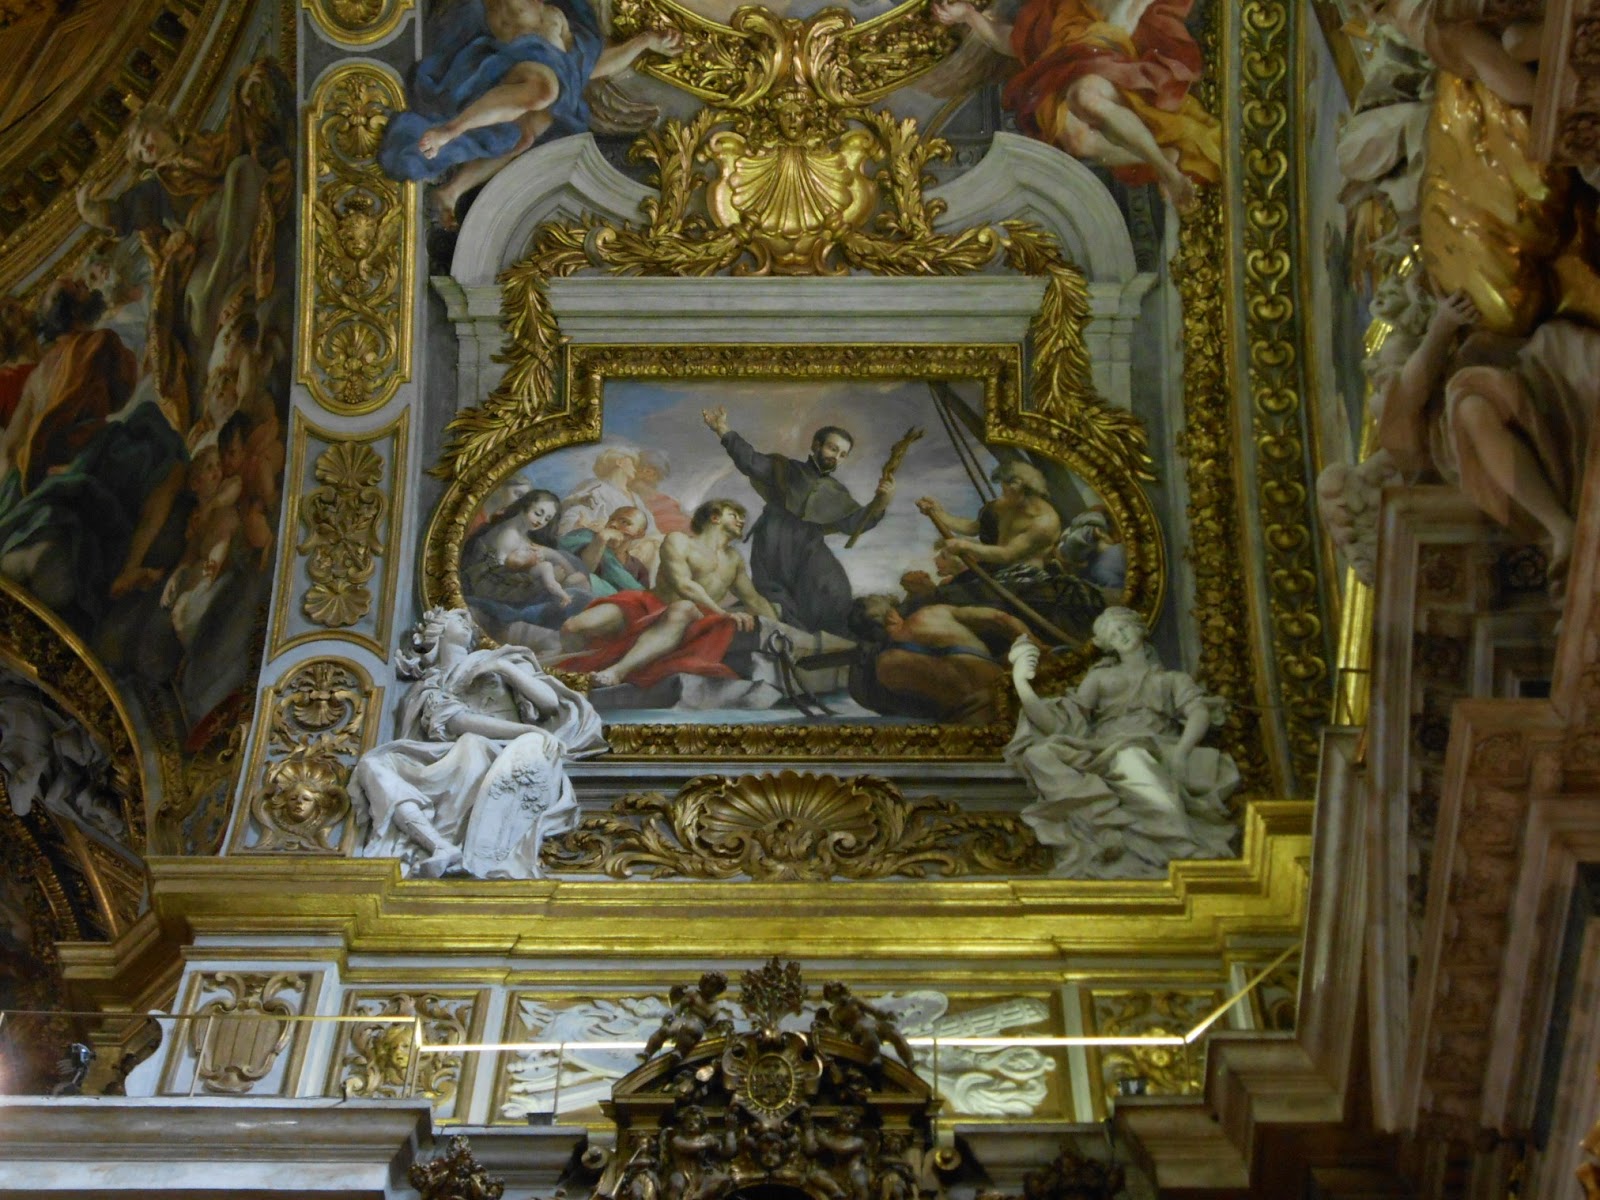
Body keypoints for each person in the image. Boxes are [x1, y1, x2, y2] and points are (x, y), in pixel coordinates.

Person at [349, 608, 606, 879]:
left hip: (498, 752)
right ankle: (438, 845)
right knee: (372, 764)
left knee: (472, 746)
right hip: (451, 752)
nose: (467, 623)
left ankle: (461, 845)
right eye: (457, 619)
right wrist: (526, 729)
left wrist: (503, 668)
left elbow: (549, 702)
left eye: (467, 619)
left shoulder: (503, 658)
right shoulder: (429, 686)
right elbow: (457, 721)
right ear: (437, 630)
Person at [378, 0, 682, 227]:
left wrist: (644, 42)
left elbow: (588, 68)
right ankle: (451, 130)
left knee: (522, 137)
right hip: (505, 70)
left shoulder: (556, 15)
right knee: (544, 90)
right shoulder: (510, 6)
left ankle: (452, 192)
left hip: (543, 84)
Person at [1374, 291, 1600, 585]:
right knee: (1468, 403)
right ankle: (1559, 526)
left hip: (1519, 378)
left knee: (1553, 341)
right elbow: (1408, 392)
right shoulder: (1393, 364)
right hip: (1472, 438)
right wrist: (1441, 328)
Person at [1006, 608, 1238, 879]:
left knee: (1132, 758)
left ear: (1140, 628)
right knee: (1039, 754)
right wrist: (1021, 682)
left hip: (1149, 745)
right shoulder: (1100, 678)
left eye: (1124, 627)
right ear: (1108, 646)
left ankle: (1180, 844)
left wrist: (1182, 753)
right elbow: (1060, 723)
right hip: (1103, 748)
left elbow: (1198, 713)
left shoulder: (1170, 680)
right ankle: (1103, 822)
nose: (1121, 635)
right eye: (1113, 634)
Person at [931, 0, 1220, 210]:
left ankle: (1167, 173)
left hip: (1111, 66)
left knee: (1084, 98)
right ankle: (1161, 157)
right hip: (1063, 76)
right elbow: (1010, 42)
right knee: (1078, 139)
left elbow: (1128, 17)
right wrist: (968, 15)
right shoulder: (1048, 10)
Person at [702, 407, 892, 637]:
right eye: (833, 448)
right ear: (816, 445)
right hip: (775, 539)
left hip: (809, 543)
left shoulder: (836, 491)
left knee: (834, 588)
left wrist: (881, 502)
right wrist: (722, 429)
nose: (836, 457)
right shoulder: (786, 469)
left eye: (842, 454)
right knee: (780, 597)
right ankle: (796, 641)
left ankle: (832, 643)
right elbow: (750, 461)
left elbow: (854, 524)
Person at [559, 498, 779, 688]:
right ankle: (577, 674)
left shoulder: (734, 559)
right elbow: (683, 584)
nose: (742, 520)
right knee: (572, 627)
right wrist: (723, 612)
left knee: (683, 607)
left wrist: (778, 627)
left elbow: (753, 599)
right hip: (648, 604)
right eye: (734, 515)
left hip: (692, 615)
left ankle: (617, 672)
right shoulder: (679, 541)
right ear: (714, 517)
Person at [846, 594, 1028, 725]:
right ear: (893, 615)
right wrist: (1038, 646)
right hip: (1014, 701)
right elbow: (1000, 618)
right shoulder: (932, 614)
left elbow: (927, 710)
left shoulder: (884, 670)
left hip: (975, 726)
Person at [462, 488, 594, 631]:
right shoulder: (509, 535)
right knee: (562, 582)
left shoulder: (523, 532)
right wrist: (543, 579)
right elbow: (498, 575)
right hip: (492, 584)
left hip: (515, 574)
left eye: (547, 519)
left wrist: (548, 559)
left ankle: (573, 588)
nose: (541, 521)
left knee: (565, 564)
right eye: (538, 513)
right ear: (526, 505)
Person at [559, 505, 652, 592]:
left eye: (624, 522)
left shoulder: (638, 568)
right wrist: (600, 539)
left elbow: (642, 598)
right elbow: (582, 571)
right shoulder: (586, 537)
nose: (613, 524)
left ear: (639, 534)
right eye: (611, 520)